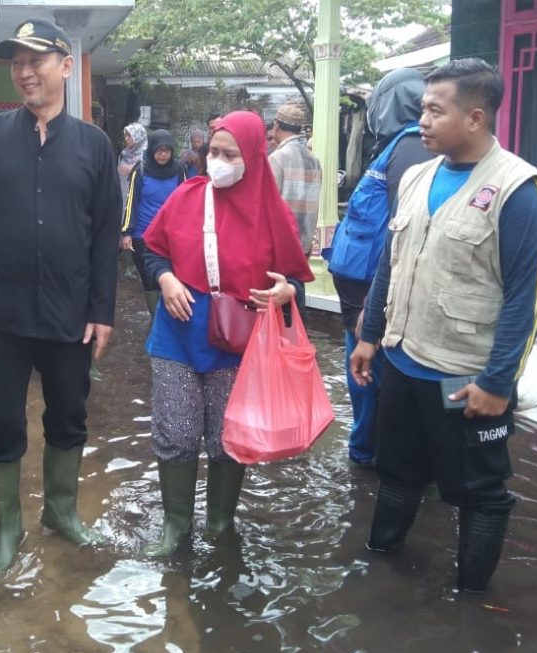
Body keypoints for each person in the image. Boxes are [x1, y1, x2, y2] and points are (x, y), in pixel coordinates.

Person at [350, 58, 537, 593]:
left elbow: (528, 299)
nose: (422, 120)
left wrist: (497, 382)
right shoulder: (418, 175)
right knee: (397, 472)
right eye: (422, 108)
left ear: (476, 117)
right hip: (402, 360)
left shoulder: (519, 191)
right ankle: (381, 564)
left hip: (462, 379)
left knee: (480, 490)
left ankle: (471, 600)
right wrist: (371, 334)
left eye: (435, 111)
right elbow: (390, 262)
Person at [0, 18, 122, 576]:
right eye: (17, 61)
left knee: (69, 417)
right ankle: (8, 527)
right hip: (0, 315)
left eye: (36, 59)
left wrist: (102, 311)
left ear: (64, 64)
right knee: (2, 421)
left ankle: (60, 512)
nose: (25, 70)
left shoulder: (94, 146)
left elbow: (107, 233)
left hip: (69, 314)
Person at [139, 111, 314, 556]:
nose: (217, 161)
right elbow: (152, 252)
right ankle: (175, 527)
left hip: (240, 343)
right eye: (212, 152)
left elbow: (295, 280)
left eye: (229, 154)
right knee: (175, 433)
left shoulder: (272, 213)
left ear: (253, 157)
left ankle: (220, 524)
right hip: (177, 335)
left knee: (227, 438)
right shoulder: (187, 197)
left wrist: (283, 292)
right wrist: (166, 279)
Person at [324, 68, 435, 467]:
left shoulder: (410, 149)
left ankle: (372, 464)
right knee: (366, 388)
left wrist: (372, 311)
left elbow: (402, 235)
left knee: (371, 386)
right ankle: (372, 458)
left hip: (375, 304)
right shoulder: (393, 148)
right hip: (364, 302)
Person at [121, 129, 188, 316]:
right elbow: (131, 201)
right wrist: (126, 232)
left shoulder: (179, 169)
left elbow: (187, 201)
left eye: (167, 150)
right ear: (152, 150)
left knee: (171, 275)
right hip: (143, 235)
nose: (163, 154)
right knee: (149, 279)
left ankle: (170, 314)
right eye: (159, 150)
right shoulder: (140, 170)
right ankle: (155, 318)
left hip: (171, 235)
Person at [268, 103, 322, 319]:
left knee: (279, 310)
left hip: (280, 247)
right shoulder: (314, 160)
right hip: (303, 245)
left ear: (277, 125)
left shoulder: (277, 158)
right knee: (296, 298)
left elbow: (270, 207)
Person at [118, 122, 148, 199]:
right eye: (125, 135)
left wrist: (133, 170)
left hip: (136, 198)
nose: (126, 138)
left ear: (138, 137)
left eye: (129, 136)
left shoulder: (146, 156)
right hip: (122, 196)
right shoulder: (124, 154)